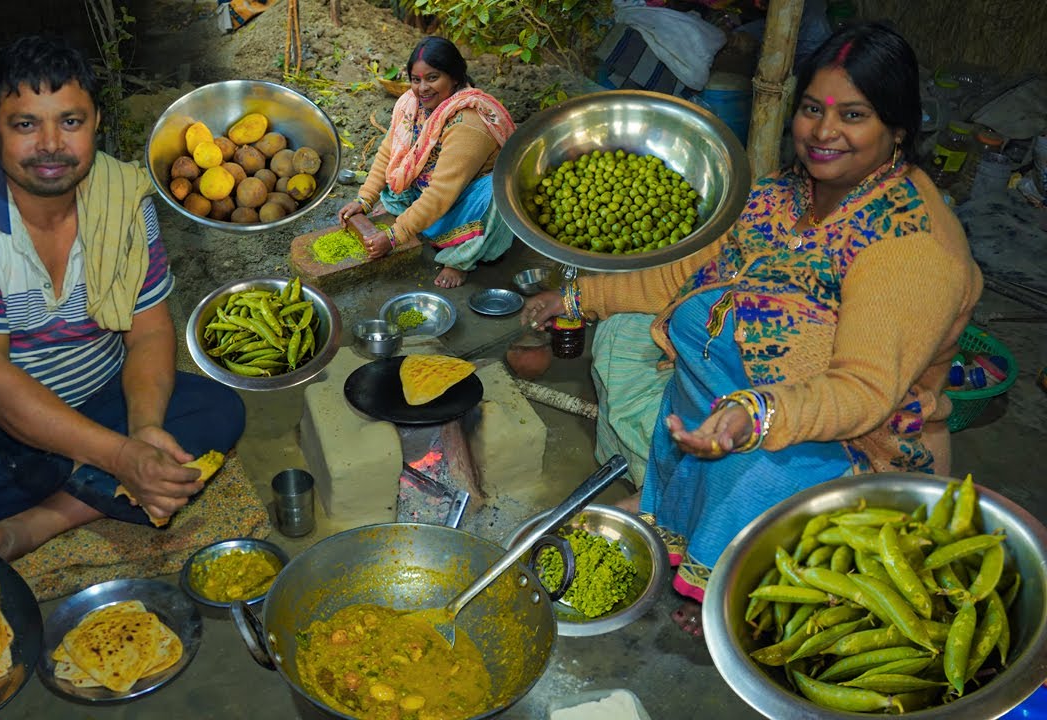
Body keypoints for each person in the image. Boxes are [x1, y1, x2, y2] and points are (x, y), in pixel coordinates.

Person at [522, 23, 981, 633]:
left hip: (836, 439)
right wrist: (581, 297)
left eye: (854, 115)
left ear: (897, 129)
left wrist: (756, 414)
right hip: (729, 399)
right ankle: (672, 518)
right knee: (668, 383)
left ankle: (730, 579)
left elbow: (865, 391)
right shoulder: (783, 192)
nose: (823, 132)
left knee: (749, 484)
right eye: (813, 109)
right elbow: (693, 271)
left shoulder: (911, 247)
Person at [0, 36, 246, 561]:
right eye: (25, 124)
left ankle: (42, 519)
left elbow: (149, 331)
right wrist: (122, 455)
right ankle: (103, 482)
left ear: (96, 122)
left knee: (218, 410)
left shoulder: (122, 201)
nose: (51, 145)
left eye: (70, 121)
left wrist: (145, 427)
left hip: (96, 391)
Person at [337, 36, 517, 288]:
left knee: (500, 192)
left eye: (433, 78)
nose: (422, 88)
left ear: (455, 77)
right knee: (400, 161)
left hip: (463, 196)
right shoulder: (413, 105)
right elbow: (389, 151)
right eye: (416, 79)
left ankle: (460, 259)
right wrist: (364, 198)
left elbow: (442, 192)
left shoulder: (469, 122)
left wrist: (394, 236)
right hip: (430, 186)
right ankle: (410, 216)